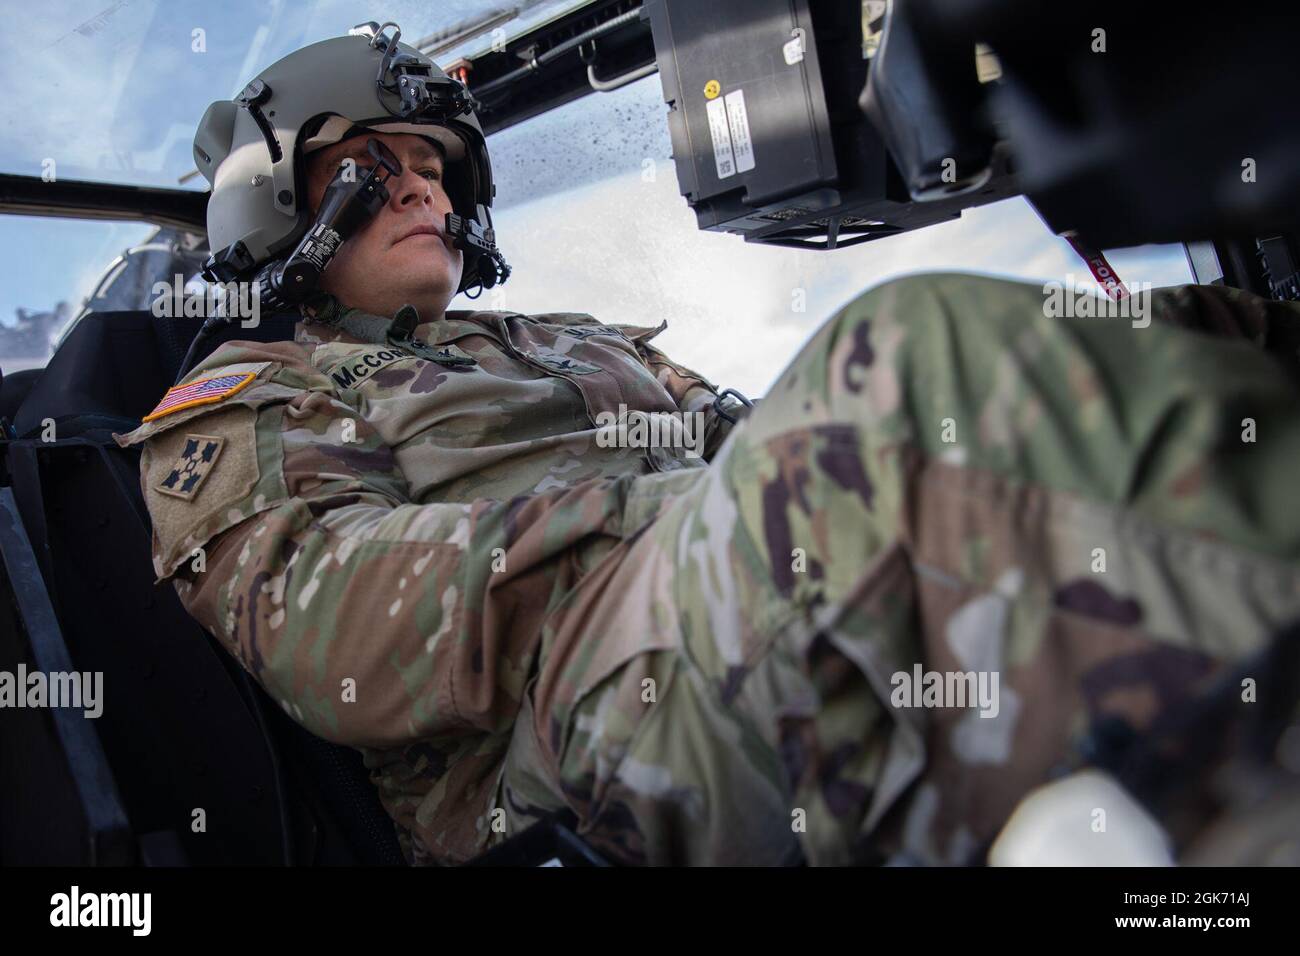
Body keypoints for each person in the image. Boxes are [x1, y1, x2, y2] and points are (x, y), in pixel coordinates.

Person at [117, 27, 1300, 865]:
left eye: (438, 170)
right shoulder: (244, 398)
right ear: (281, 194)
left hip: (721, 591)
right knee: (913, 345)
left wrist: (769, 471)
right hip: (564, 746)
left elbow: (755, 430)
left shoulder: (558, 337)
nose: (426, 193)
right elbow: (342, 642)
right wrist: (676, 506)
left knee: (1193, 333)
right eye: (378, 170)